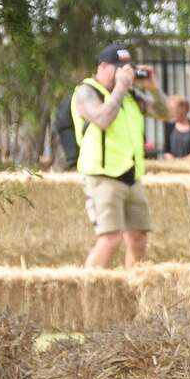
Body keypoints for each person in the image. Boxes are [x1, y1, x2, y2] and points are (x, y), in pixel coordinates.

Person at [71, 42, 168, 268]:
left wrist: (153, 88)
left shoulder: (130, 95)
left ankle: (133, 287)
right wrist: (120, 89)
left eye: (128, 68)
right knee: (110, 238)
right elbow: (102, 119)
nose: (126, 73)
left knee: (138, 238)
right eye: (120, 68)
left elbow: (165, 113)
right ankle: (88, 287)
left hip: (131, 176)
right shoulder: (86, 92)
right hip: (102, 175)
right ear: (103, 67)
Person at [162, 95, 190, 159]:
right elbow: (166, 151)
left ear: (183, 110)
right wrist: (173, 160)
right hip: (172, 163)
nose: (172, 113)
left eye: (174, 110)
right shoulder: (169, 126)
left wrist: (187, 159)